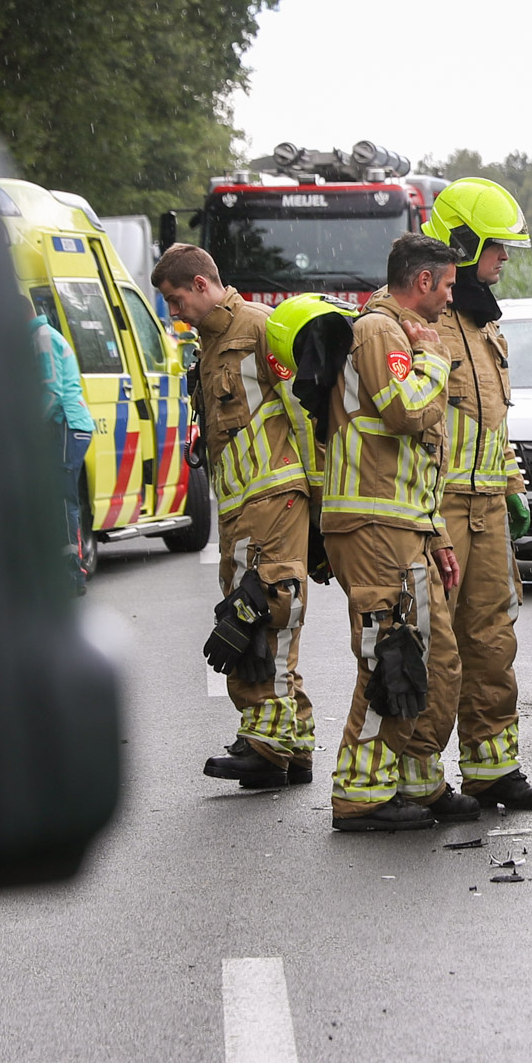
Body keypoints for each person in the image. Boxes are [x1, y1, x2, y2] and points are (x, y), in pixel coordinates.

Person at [319, 234, 480, 831]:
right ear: (422, 283)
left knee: (434, 658)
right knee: (389, 660)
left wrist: (436, 535)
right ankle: (360, 793)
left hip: (404, 524)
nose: (447, 299)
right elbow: (406, 412)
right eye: (446, 287)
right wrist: (435, 357)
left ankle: (417, 779)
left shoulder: (397, 333)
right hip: (374, 525)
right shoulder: (382, 332)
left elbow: (418, 456)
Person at [152, 244, 317, 790]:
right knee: (253, 614)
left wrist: (316, 497)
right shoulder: (209, 341)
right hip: (241, 507)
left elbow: (305, 412)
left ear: (202, 284)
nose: (174, 313)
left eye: (177, 300)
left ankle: (266, 747)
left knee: (261, 613)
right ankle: (286, 742)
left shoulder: (261, 329)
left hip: (273, 499)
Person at [419, 179, 532, 811]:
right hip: (436, 513)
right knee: (428, 648)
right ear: (462, 244)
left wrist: (512, 486)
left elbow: (490, 424)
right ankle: (416, 779)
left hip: (489, 509)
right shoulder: (411, 322)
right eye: (496, 249)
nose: (503, 261)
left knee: (493, 642)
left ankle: (492, 771)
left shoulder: (483, 327)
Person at [29, 297, 94, 594]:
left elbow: (51, 390)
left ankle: (72, 575)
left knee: (62, 499)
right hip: (69, 425)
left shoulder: (41, 337)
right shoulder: (44, 335)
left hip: (68, 424)